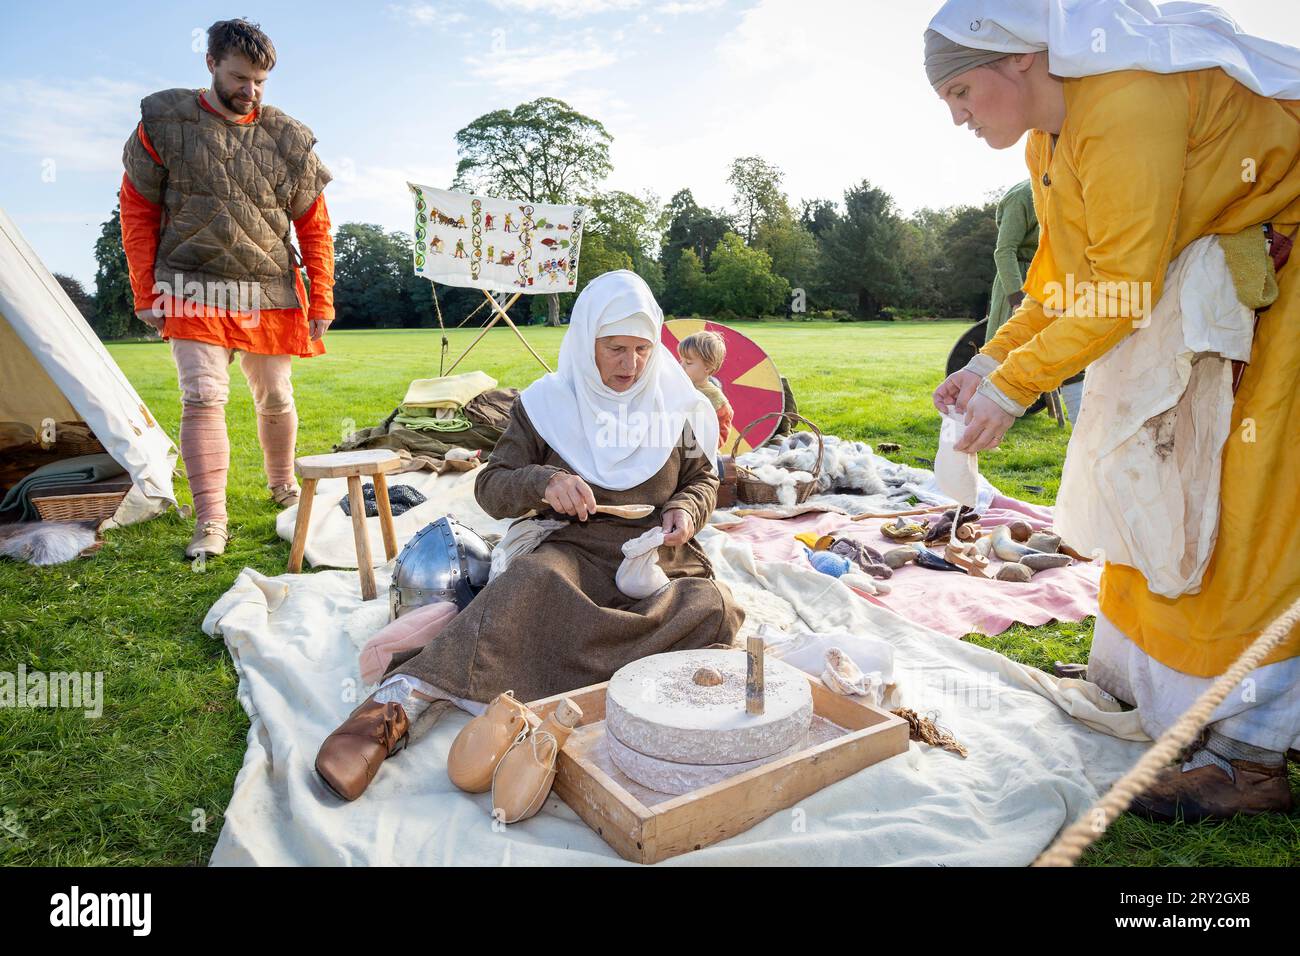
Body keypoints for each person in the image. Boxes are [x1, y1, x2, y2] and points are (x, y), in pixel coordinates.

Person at [926, 0, 1299, 821]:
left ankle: (1250, 756)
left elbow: (1121, 286)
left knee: (1240, 510)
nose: (956, 116)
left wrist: (1014, 389)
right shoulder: (1046, 140)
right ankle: (1135, 686)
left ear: (1021, 58)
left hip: (1278, 277)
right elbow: (1065, 280)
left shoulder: (1128, 96)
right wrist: (992, 359)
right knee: (1147, 484)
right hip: (1200, 285)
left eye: (960, 92)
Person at [315, 271, 745, 801]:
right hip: (573, 544)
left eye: (641, 350)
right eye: (614, 349)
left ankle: (571, 683)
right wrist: (545, 482)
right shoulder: (547, 404)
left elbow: (704, 478)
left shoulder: (676, 406)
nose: (630, 366)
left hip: (657, 550)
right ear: (587, 341)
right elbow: (491, 488)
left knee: (713, 607)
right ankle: (401, 702)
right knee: (525, 589)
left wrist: (685, 508)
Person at [120, 18, 335, 559]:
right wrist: (145, 292)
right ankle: (211, 520)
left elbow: (314, 224)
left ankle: (283, 485)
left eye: (261, 81)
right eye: (240, 77)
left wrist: (323, 297)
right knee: (202, 396)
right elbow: (138, 213)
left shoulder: (288, 136)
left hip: (268, 286)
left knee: (277, 397)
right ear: (210, 63)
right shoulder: (163, 120)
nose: (251, 91)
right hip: (191, 283)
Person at [677, 330, 734, 450]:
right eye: (681, 360)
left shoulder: (716, 399)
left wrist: (703, 446)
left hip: (697, 454)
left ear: (707, 367)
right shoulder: (676, 385)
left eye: (688, 362)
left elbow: (721, 433)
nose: (681, 365)